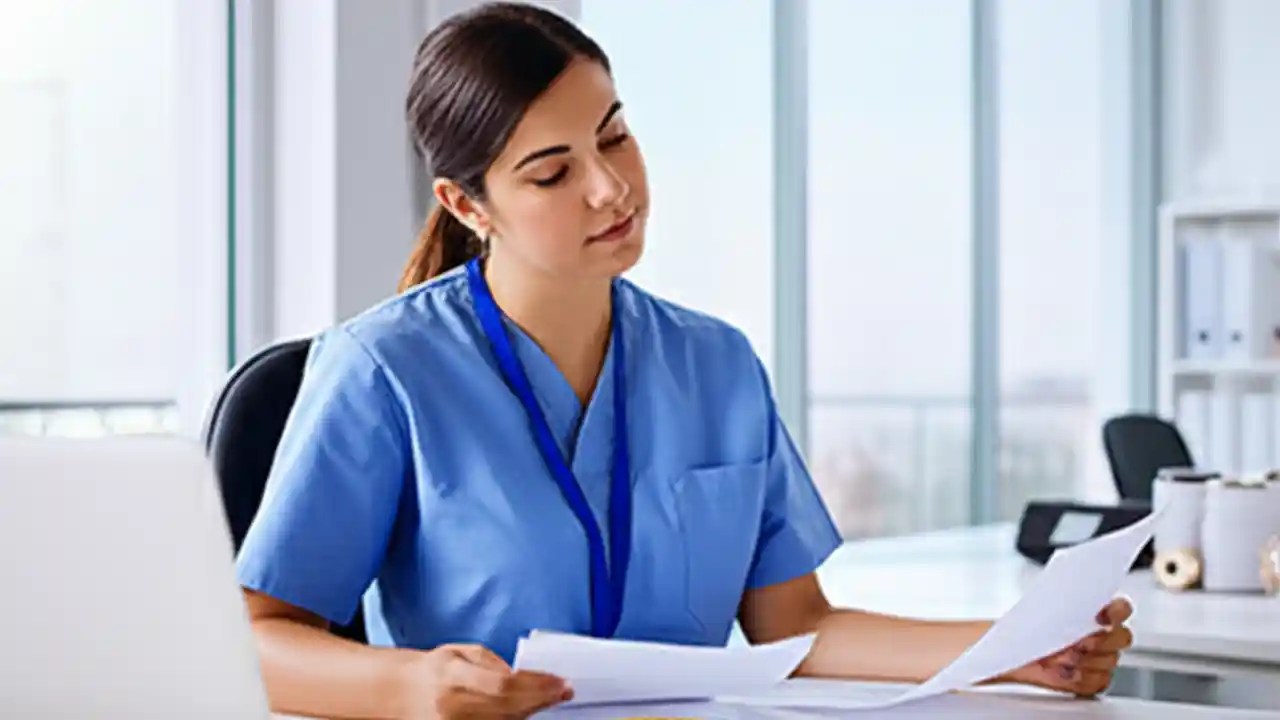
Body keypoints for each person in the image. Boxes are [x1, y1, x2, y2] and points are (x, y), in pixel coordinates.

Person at [235, 3, 1134, 718]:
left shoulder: (717, 363)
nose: (610, 187)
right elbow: (259, 638)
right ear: (467, 206)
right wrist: (410, 689)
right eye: (552, 173)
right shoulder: (383, 371)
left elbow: (798, 629)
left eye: (614, 135)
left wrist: (1018, 648)